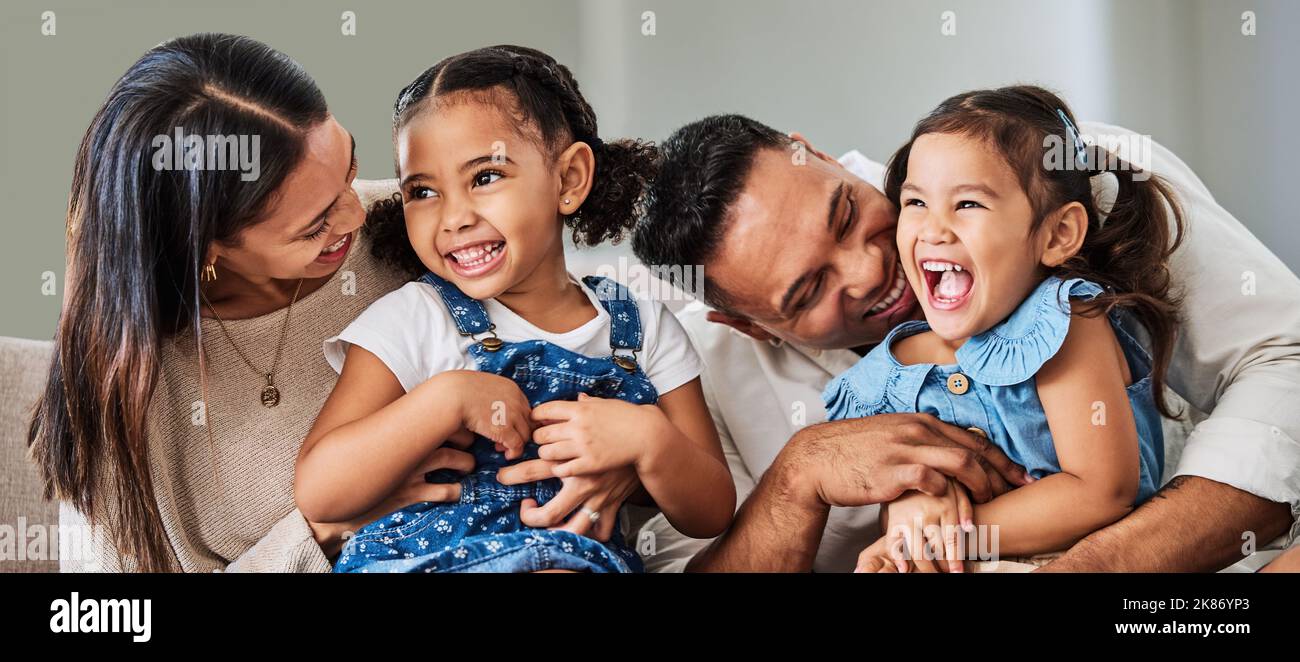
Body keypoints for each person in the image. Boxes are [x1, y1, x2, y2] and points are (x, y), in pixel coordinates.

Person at [33, 34, 630, 573]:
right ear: (207, 248)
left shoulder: (419, 230)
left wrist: (626, 463)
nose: (358, 214)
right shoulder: (120, 390)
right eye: (314, 226)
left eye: (349, 166)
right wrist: (319, 532)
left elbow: (576, 326)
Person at [631, 107, 1300, 572]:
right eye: (808, 293)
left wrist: (1103, 563)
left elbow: (1284, 358)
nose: (872, 273)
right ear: (747, 325)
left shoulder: (1055, 173)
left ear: (823, 155)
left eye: (844, 213)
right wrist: (796, 480)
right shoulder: (696, 373)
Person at [294, 46, 733, 573]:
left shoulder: (642, 326)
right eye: (423, 191)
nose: (453, 218)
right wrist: (447, 399)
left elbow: (711, 511)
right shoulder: (415, 317)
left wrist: (649, 441)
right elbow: (320, 490)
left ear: (568, 179)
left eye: (484, 177)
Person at [825, 86, 1182, 573]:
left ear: (1057, 235)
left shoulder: (1064, 325)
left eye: (968, 204)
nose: (933, 229)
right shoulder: (895, 368)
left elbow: (1102, 492)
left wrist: (943, 538)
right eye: (915, 202)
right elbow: (911, 490)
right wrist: (908, 517)